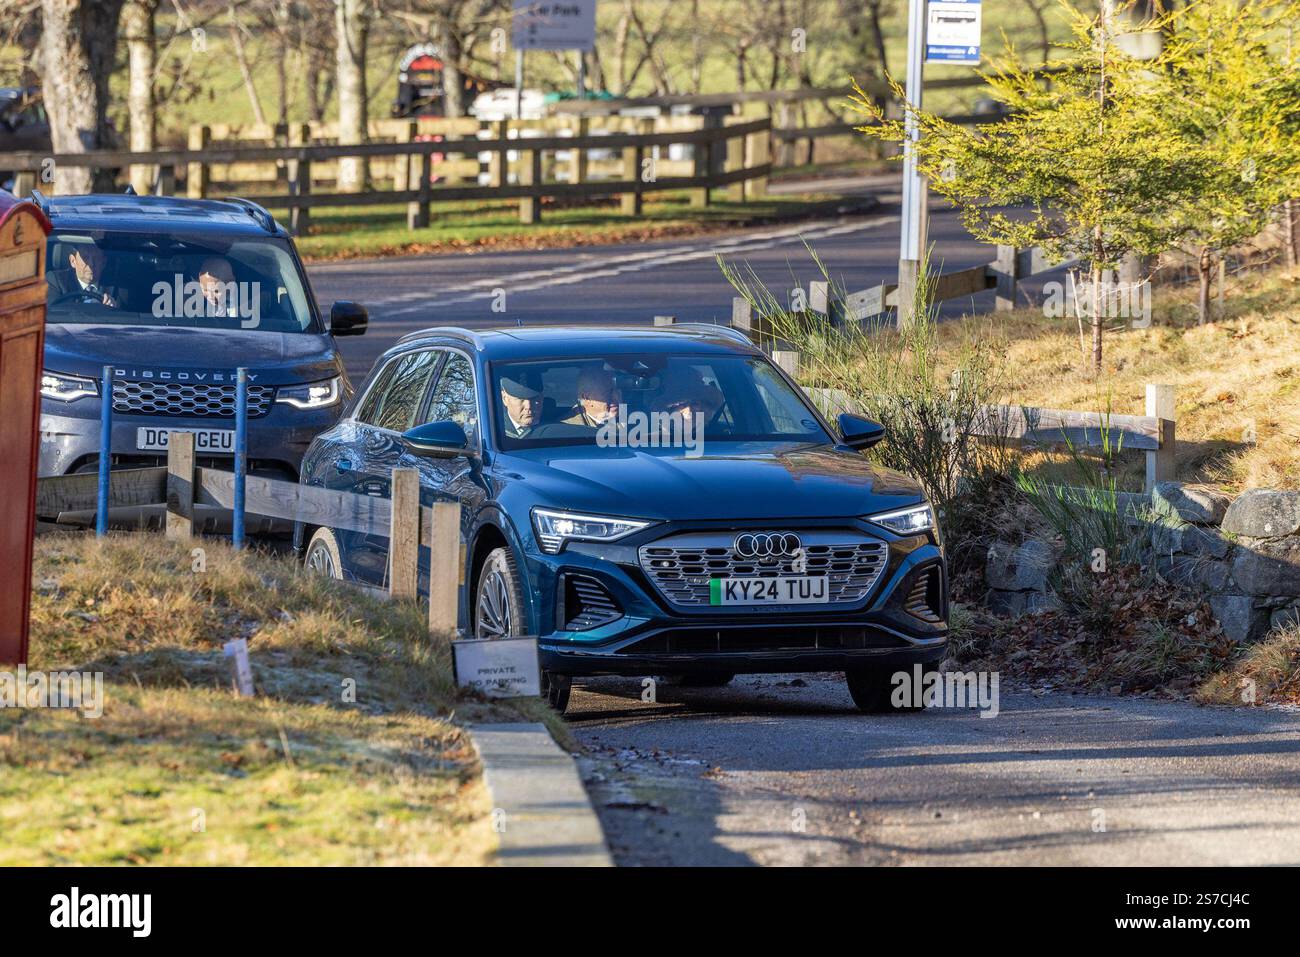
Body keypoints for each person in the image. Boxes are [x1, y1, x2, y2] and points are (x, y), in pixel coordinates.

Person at [48, 244, 119, 307]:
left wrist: (114, 310)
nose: (91, 264)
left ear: (103, 262)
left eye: (96, 258)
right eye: (85, 258)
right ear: (73, 261)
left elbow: (127, 315)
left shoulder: (119, 287)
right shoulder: (56, 281)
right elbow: (52, 313)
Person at [500, 371, 545, 438]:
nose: (528, 406)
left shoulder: (557, 426)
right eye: (520, 399)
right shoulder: (494, 431)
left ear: (542, 398)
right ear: (505, 399)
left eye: (534, 399)